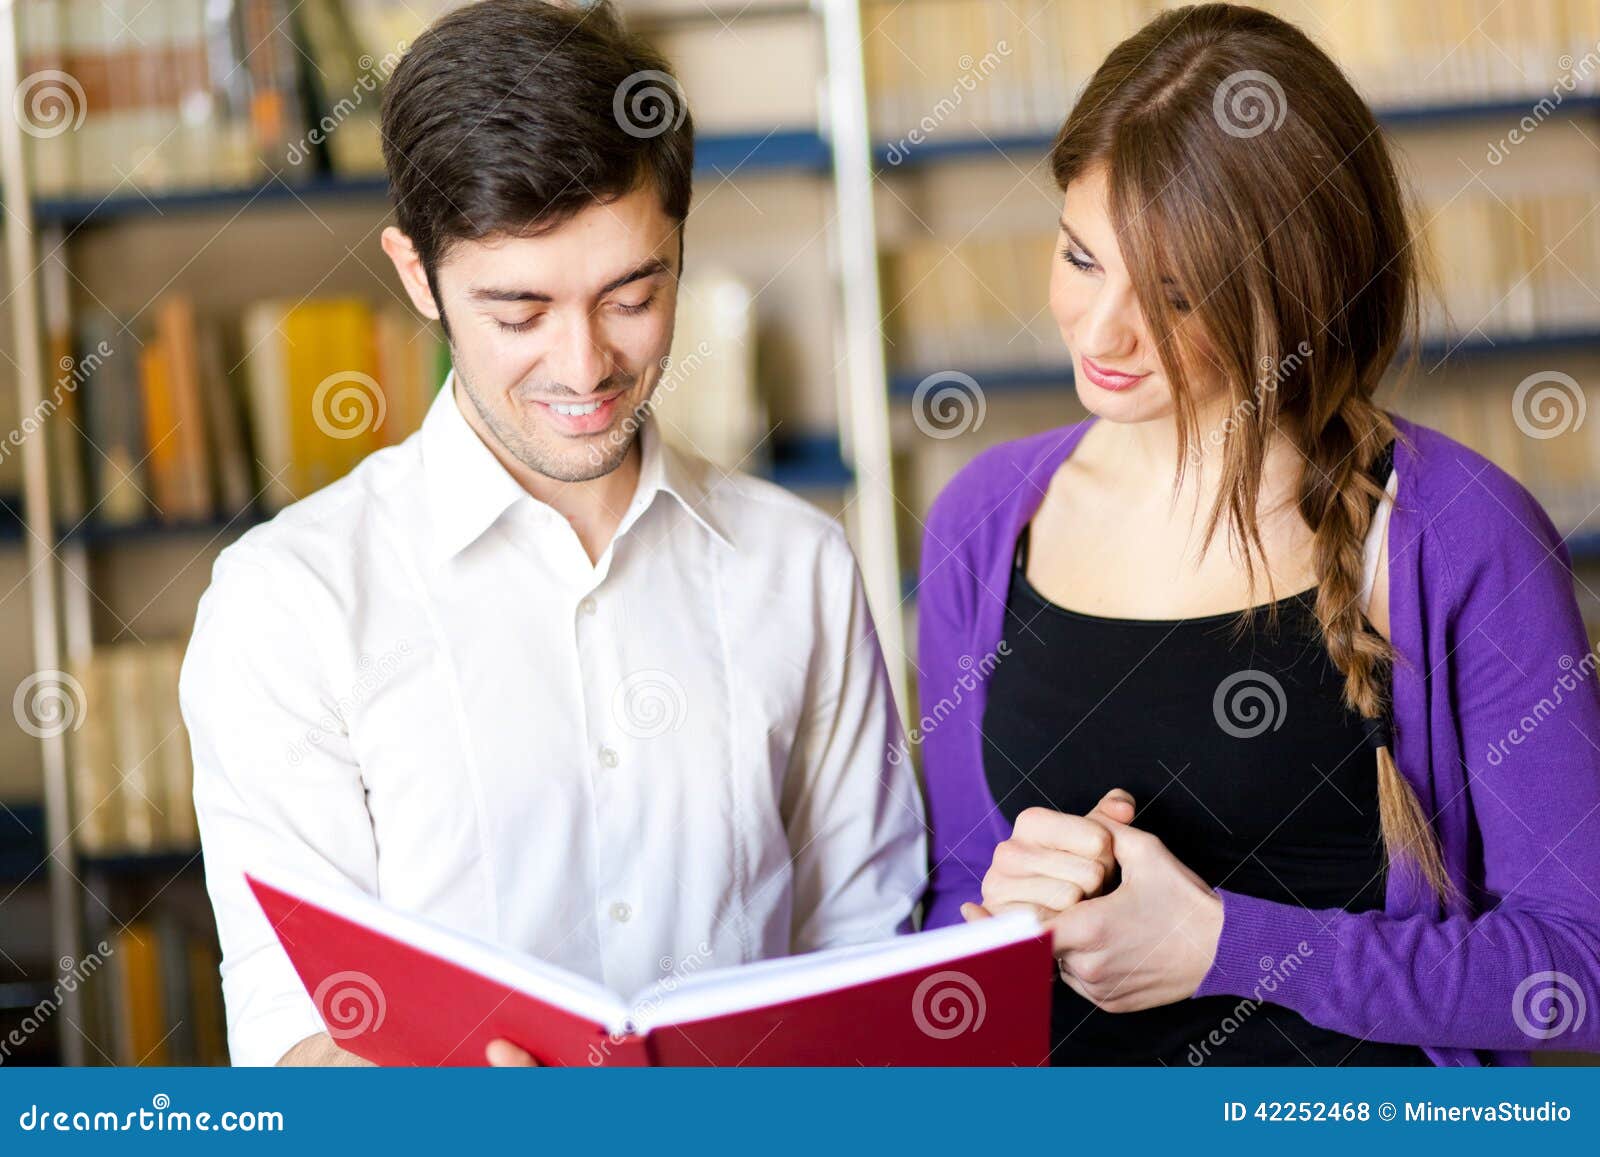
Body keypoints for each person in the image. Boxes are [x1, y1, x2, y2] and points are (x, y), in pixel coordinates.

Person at [181, 0, 924, 1067]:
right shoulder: (288, 602)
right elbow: (292, 1022)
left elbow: (865, 946)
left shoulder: (799, 565)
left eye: (631, 296)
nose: (584, 368)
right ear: (416, 274)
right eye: (518, 314)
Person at [917, 2, 1600, 1065]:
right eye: (1082, 257)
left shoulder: (1461, 532)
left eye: (1177, 295)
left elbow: (1576, 970)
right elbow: (956, 900)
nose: (1102, 331)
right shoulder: (984, 516)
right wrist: (999, 927)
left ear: (1293, 295)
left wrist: (1229, 948)